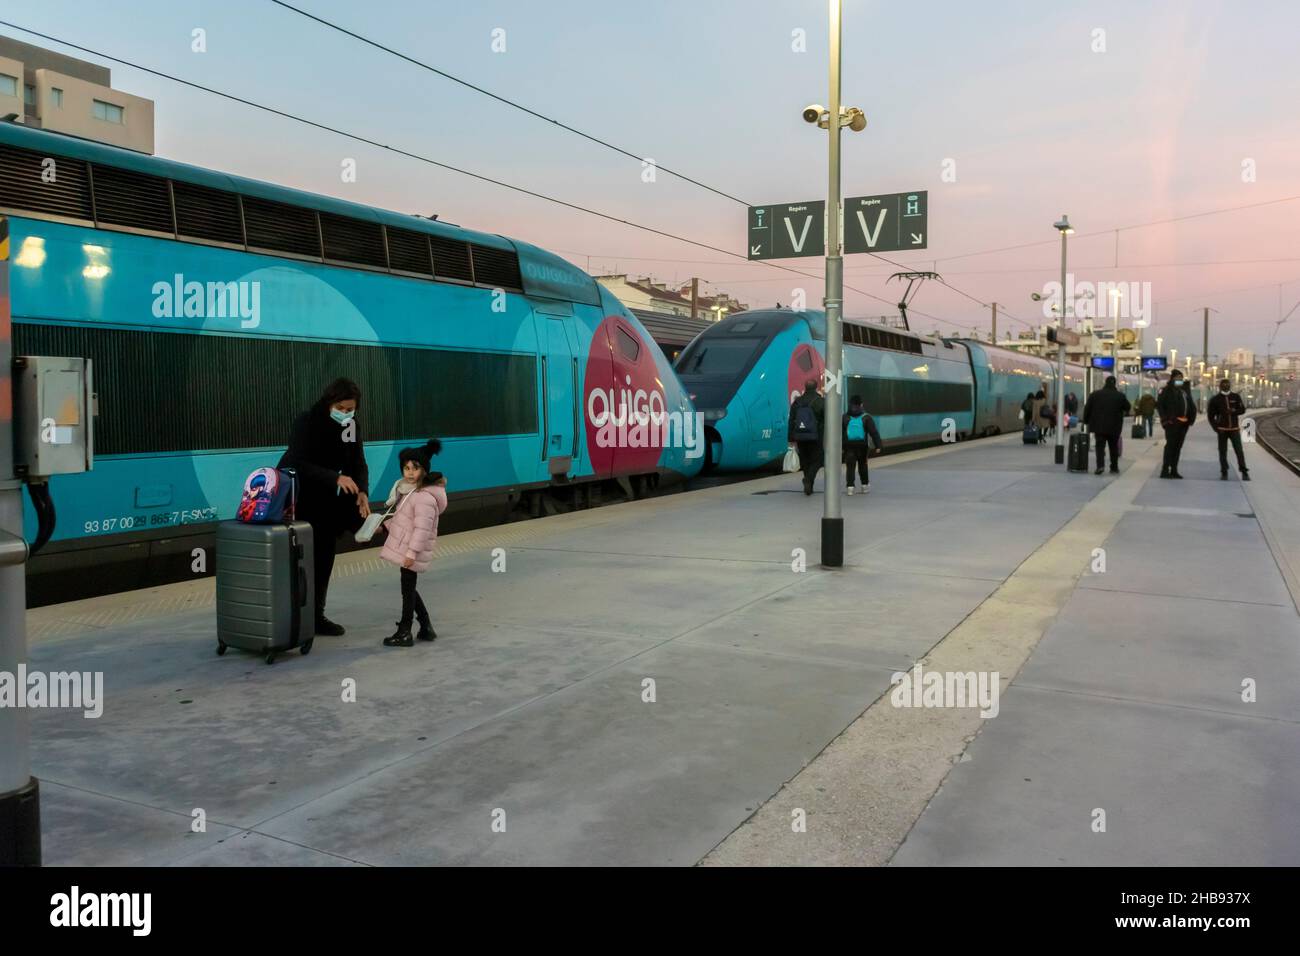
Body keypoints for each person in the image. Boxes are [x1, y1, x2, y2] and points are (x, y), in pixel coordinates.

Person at [278, 378, 370, 635]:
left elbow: (358, 462)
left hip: (326, 499)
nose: (345, 414)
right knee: (298, 559)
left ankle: (316, 615)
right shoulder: (307, 422)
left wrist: (362, 490)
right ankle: (291, 615)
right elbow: (297, 461)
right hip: (298, 498)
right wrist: (335, 477)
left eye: (350, 409)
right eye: (341, 408)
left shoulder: (351, 427)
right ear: (329, 402)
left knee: (325, 555)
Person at [379, 442, 448, 647]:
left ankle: (405, 631)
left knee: (407, 590)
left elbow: (421, 530)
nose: (410, 473)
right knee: (409, 588)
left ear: (424, 470)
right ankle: (426, 627)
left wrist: (411, 553)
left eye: (415, 468)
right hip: (408, 548)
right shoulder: (408, 491)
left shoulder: (423, 497)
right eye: (406, 468)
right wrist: (383, 527)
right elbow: (404, 520)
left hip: (411, 550)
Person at [1082, 375, 1132, 474]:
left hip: (1099, 426)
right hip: (1114, 427)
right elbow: (1128, 407)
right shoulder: (1120, 396)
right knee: (1113, 447)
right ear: (1115, 384)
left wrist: (1086, 421)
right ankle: (1114, 467)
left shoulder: (1095, 394)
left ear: (1105, 383)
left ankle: (1100, 466)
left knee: (1099, 447)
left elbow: (1087, 409)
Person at [1208, 378, 1250, 481]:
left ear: (1230, 385)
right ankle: (1224, 472)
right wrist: (1216, 428)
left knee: (1239, 451)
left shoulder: (1235, 397)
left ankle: (1244, 471)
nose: (1226, 386)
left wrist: (1234, 411)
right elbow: (1210, 416)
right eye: (1224, 384)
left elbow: (1242, 409)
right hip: (1222, 430)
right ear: (1220, 386)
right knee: (1222, 451)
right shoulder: (1215, 399)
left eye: (1227, 384)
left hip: (1234, 429)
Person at [1157, 369, 1196, 479]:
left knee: (1178, 447)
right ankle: (1165, 470)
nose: (1179, 380)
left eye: (1181, 378)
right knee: (1170, 446)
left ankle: (1174, 469)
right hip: (1172, 423)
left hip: (1184, 424)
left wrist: (1191, 418)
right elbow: (1160, 406)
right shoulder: (1166, 391)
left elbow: (1190, 404)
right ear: (1172, 379)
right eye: (1177, 378)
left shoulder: (1183, 391)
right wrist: (1165, 420)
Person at [788, 380, 825, 495]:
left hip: (800, 436)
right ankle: (808, 480)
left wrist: (790, 437)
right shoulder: (820, 401)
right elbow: (826, 420)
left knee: (805, 460)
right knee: (818, 460)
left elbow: (791, 420)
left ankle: (809, 486)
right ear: (816, 387)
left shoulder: (797, 402)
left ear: (805, 387)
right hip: (815, 437)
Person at [842, 395, 883, 496]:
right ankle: (865, 486)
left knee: (850, 466)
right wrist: (878, 445)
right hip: (863, 446)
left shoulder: (845, 417)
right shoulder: (866, 417)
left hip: (849, 446)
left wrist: (842, 446)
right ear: (861, 404)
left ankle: (850, 488)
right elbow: (873, 432)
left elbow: (841, 433)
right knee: (863, 466)